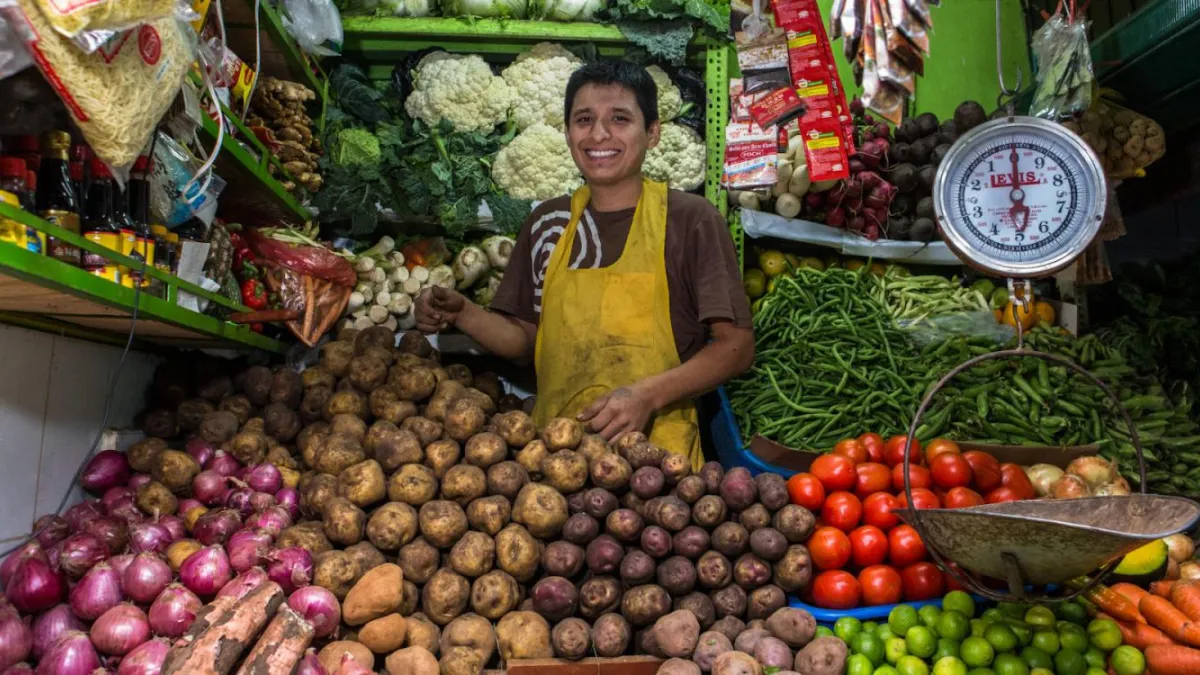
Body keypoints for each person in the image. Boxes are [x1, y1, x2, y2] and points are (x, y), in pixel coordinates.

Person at [416, 59, 754, 469]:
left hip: (662, 467)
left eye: (620, 119)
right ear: (567, 132)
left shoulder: (690, 219)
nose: (599, 134)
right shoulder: (547, 224)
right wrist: (464, 312)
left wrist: (647, 395)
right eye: (584, 119)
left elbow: (735, 348)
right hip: (553, 459)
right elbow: (523, 343)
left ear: (653, 132)